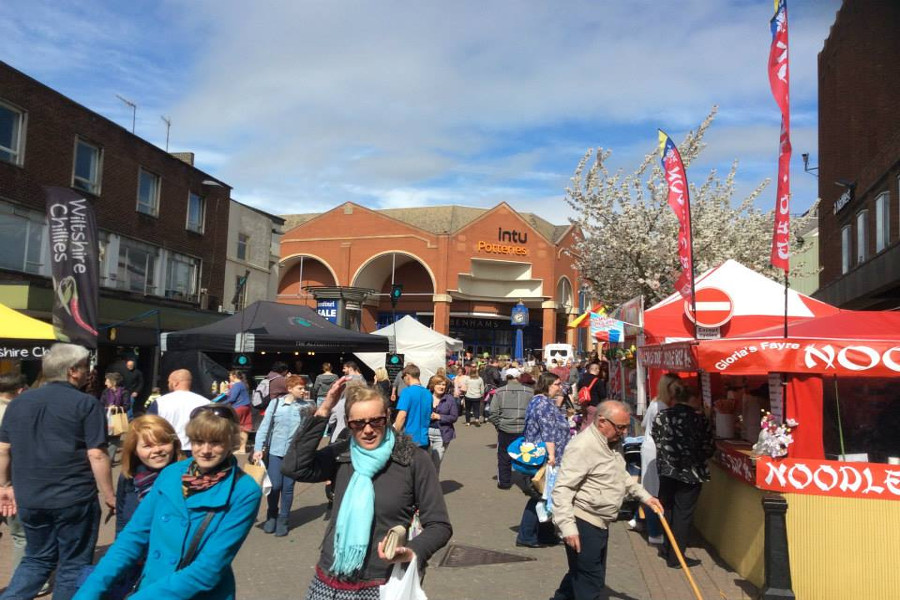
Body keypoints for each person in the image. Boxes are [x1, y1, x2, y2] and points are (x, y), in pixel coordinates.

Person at [282, 383, 452, 598]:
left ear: (387, 417)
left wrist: (411, 551)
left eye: (376, 421)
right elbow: (293, 467)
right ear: (349, 424)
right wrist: (323, 411)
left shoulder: (412, 459)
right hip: (330, 576)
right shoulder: (342, 454)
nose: (368, 429)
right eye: (358, 424)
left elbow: (439, 525)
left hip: (382, 582)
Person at [75, 405, 261, 600]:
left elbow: (208, 570)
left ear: (231, 442)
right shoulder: (172, 474)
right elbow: (131, 538)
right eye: (198, 441)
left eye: (216, 442)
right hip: (152, 586)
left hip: (195, 594)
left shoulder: (244, 491)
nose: (205, 450)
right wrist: (88, 593)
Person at [0, 343, 116, 600]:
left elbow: (3, 450)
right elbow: (96, 453)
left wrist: (4, 486)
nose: (89, 372)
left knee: (37, 558)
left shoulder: (18, 404)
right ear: (73, 371)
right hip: (72, 496)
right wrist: (109, 494)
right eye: (86, 366)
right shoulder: (86, 404)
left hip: (30, 495)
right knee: (72, 564)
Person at [550, 400, 664, 600]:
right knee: (591, 580)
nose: (624, 432)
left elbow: (620, 475)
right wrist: (568, 527)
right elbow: (562, 489)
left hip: (600, 520)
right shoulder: (583, 446)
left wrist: (645, 497)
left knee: (580, 573)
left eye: (626, 427)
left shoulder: (612, 443)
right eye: (620, 427)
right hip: (583, 520)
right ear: (602, 421)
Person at [654, 386, 714, 569]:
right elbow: (708, 447)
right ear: (692, 398)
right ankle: (676, 556)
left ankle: (667, 548)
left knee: (669, 509)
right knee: (683, 514)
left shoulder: (661, 416)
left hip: (667, 471)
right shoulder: (698, 418)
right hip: (690, 473)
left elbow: (656, 438)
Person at [252, 374, 316, 537]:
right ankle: (271, 515)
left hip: (294, 454)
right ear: (289, 389)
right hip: (275, 452)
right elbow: (264, 428)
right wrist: (258, 448)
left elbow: (310, 432)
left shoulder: (307, 406)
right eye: (300, 388)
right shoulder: (275, 404)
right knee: (274, 486)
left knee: (288, 488)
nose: (303, 391)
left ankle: (283, 519)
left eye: (304, 388)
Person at [515, 373, 570, 548]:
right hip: (544, 456)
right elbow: (548, 432)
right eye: (556, 384)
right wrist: (552, 456)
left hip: (541, 454)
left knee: (547, 496)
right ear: (547, 385)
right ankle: (527, 535)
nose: (559, 387)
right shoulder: (544, 404)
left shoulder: (539, 401)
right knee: (540, 495)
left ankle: (545, 534)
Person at [639, 373, 683, 545]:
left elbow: (644, 425)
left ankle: (641, 520)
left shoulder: (655, 403)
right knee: (655, 492)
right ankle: (654, 531)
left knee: (650, 488)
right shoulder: (663, 407)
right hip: (656, 450)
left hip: (649, 447)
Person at [147, 369, 210, 456]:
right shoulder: (206, 402)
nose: (168, 384)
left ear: (175, 383)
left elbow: (148, 426)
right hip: (197, 450)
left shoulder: (160, 402)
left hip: (168, 449)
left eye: (169, 382)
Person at [487, 369, 533, 489]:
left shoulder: (499, 392)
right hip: (524, 429)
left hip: (505, 429)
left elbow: (492, 412)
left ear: (506, 377)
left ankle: (504, 482)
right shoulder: (530, 392)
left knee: (504, 457)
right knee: (526, 457)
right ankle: (528, 483)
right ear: (519, 377)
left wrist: (499, 425)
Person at [393, 364, 432, 450]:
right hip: (424, 439)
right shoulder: (428, 393)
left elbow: (402, 416)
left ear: (407, 376)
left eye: (403, 377)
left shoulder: (407, 392)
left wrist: (395, 434)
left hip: (410, 439)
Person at [426, 374, 458, 477]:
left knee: (436, 464)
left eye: (443, 384)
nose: (441, 387)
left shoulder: (449, 399)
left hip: (442, 434)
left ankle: (432, 490)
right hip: (426, 434)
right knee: (425, 464)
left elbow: (454, 417)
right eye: (438, 384)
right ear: (433, 385)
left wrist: (439, 417)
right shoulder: (426, 397)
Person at [328, 360, 365, 442]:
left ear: (350, 368)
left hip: (344, 405)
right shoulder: (362, 379)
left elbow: (331, 422)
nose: (343, 370)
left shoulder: (346, 379)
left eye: (344, 368)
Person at [220, 370, 252, 453]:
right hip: (247, 407)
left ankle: (230, 447)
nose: (229, 377)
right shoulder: (243, 384)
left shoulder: (237, 385)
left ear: (234, 376)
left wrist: (221, 403)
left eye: (230, 375)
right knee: (245, 428)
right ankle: (242, 449)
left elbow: (232, 398)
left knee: (232, 427)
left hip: (238, 408)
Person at [101, 371, 130, 464]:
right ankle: (105, 458)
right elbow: (101, 403)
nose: (105, 383)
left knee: (114, 440)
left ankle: (109, 461)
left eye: (107, 381)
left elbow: (127, 406)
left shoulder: (124, 392)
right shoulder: (105, 392)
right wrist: (106, 408)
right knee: (105, 439)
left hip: (117, 419)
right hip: (106, 418)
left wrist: (116, 408)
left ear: (113, 382)